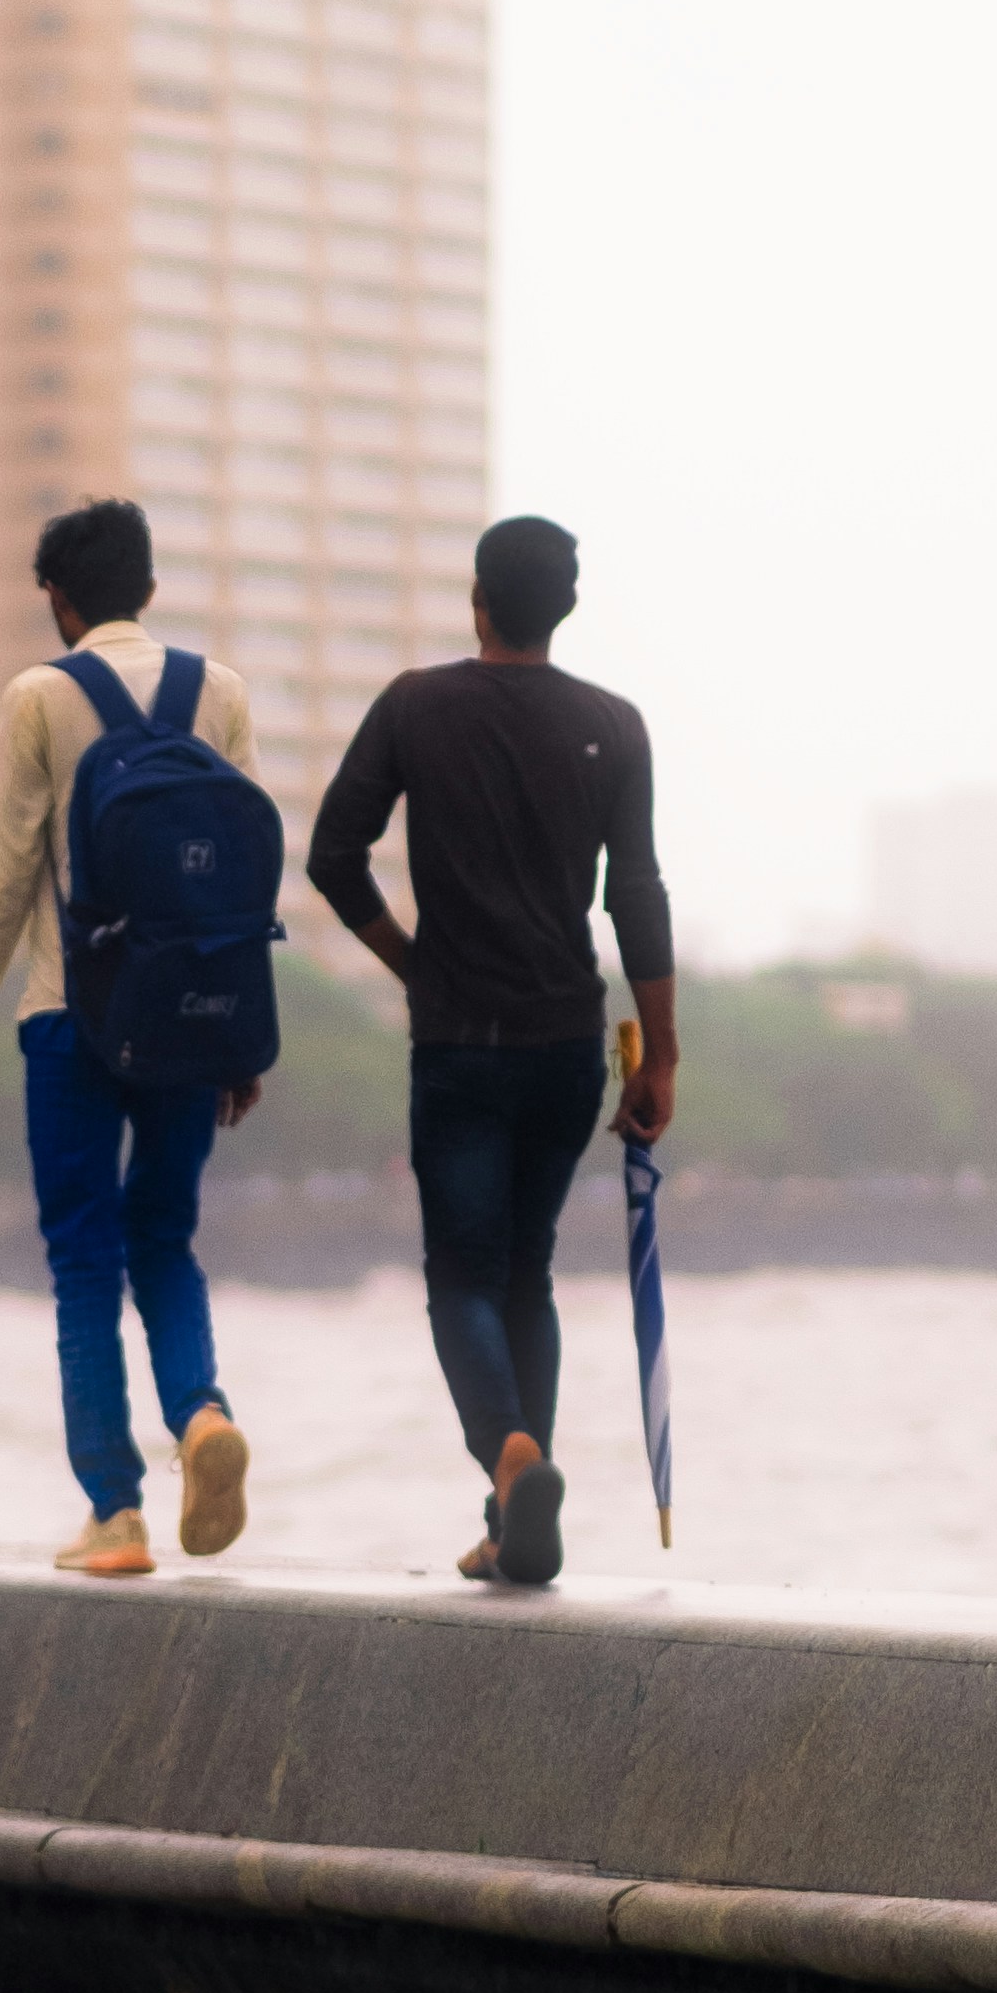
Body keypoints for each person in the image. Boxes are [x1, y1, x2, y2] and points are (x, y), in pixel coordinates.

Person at [307, 512, 674, 1591]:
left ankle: (514, 1467)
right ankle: (513, 1515)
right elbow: (637, 896)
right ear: (562, 610)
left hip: (460, 1040)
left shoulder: (416, 705)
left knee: (461, 1275)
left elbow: (335, 855)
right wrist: (660, 1053)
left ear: (478, 600)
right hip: (566, 1044)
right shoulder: (616, 724)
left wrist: (410, 962)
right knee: (528, 1271)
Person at [0, 496, 264, 1579]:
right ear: (151, 589)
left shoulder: (39, 695)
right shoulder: (216, 690)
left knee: (84, 1257)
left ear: (59, 600)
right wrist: (241, 1038)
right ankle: (203, 1415)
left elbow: (4, 866)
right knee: (163, 1237)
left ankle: (115, 1513)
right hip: (191, 1018)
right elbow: (241, 872)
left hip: (69, 1020)